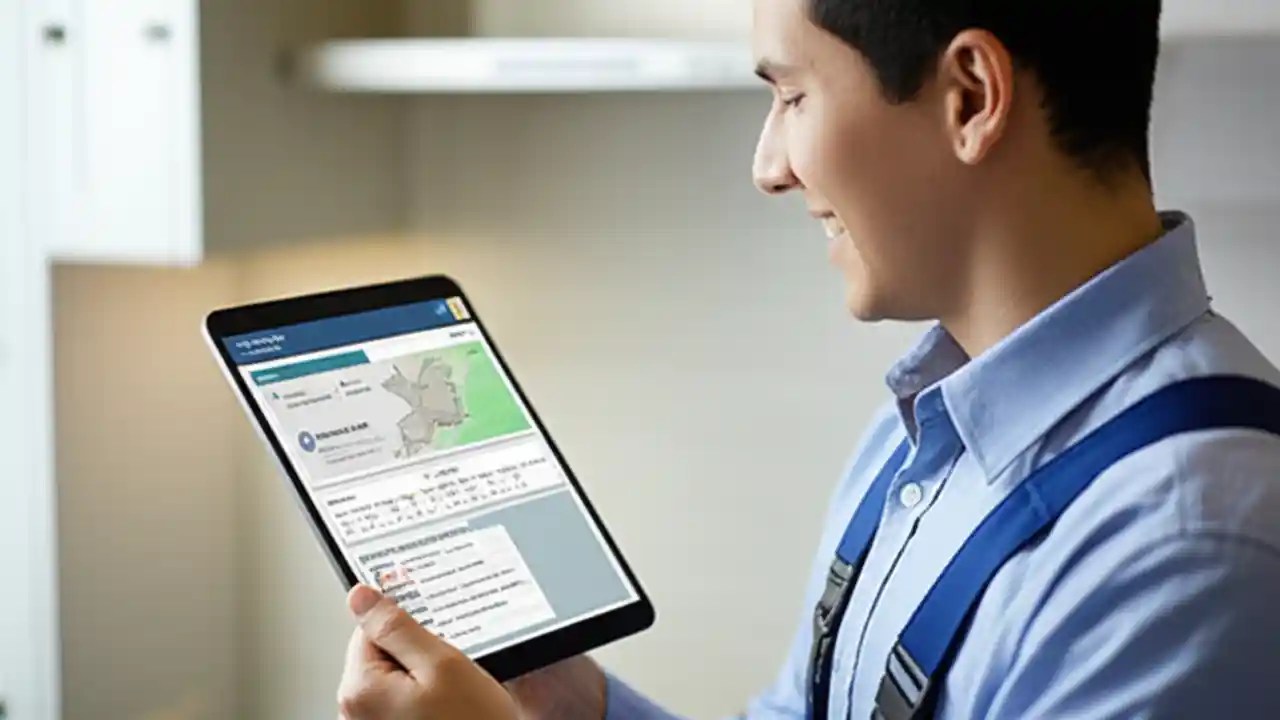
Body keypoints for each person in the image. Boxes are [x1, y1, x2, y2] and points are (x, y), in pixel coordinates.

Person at [334, 0, 1280, 718]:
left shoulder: (1186, 545)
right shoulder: (920, 435)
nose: (769, 165)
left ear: (970, 98)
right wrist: (576, 706)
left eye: (791, 95)